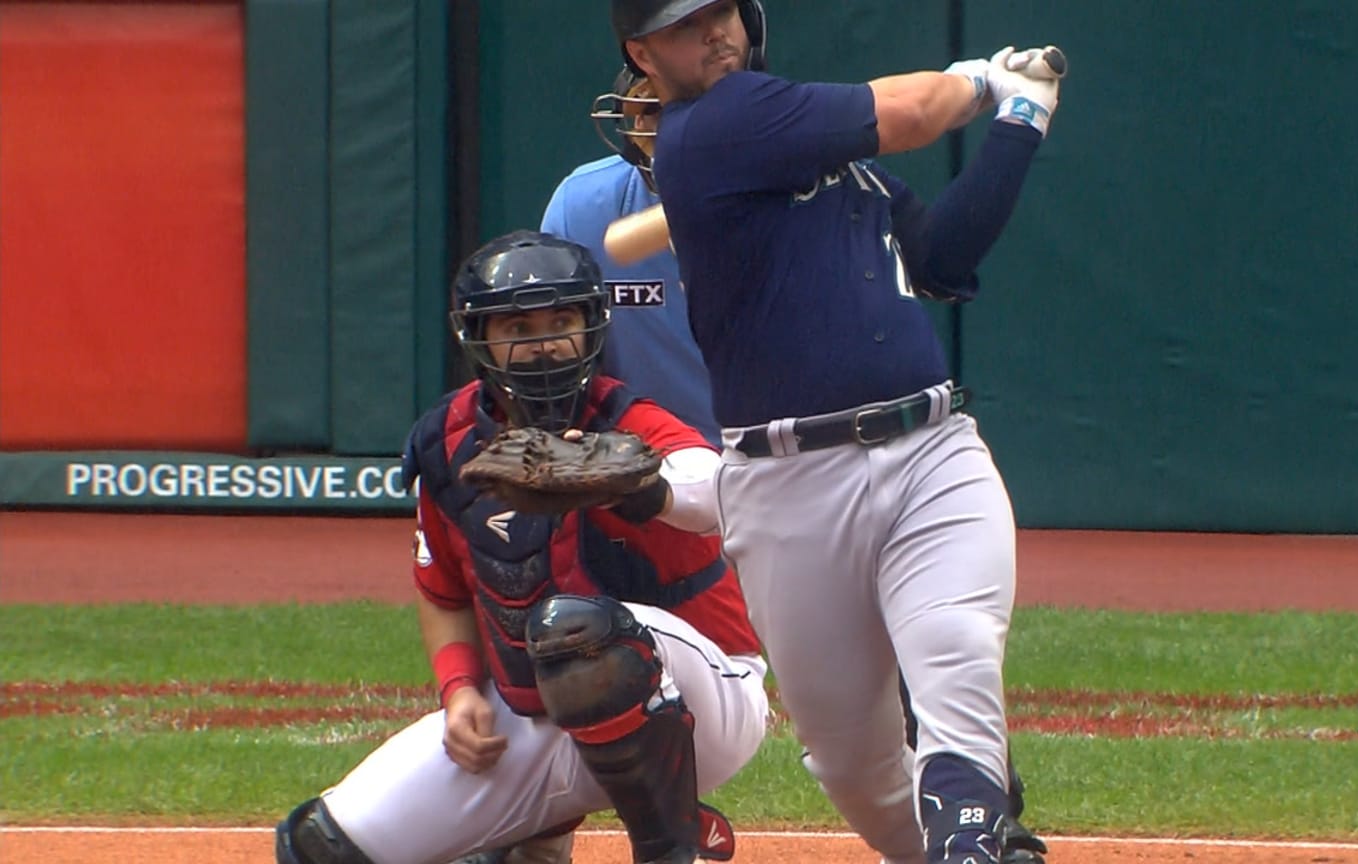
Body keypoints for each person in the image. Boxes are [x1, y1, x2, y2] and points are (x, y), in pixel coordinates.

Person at [608, 2, 1064, 864]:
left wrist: (1019, 125)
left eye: (722, 13)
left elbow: (938, 257)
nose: (715, 33)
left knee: (954, 646)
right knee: (852, 764)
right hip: (786, 485)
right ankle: (966, 832)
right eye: (684, 25)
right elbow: (912, 112)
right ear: (642, 53)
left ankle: (973, 833)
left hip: (932, 449)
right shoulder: (715, 125)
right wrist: (981, 82)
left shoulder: (830, 162)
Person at [274, 230, 768, 864]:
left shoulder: (630, 426)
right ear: (480, 339)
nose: (543, 344)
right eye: (517, 326)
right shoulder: (448, 445)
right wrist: (459, 692)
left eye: (561, 320)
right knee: (321, 846)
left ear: (591, 328)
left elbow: (715, 488)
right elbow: (443, 591)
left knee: (578, 632)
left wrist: (641, 485)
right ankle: (534, 837)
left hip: (706, 707)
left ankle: (672, 848)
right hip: (541, 721)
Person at [539, 67, 719, 446]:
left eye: (676, 107)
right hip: (642, 457)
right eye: (644, 110)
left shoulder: (800, 190)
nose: (651, 125)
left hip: (779, 456)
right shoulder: (582, 204)